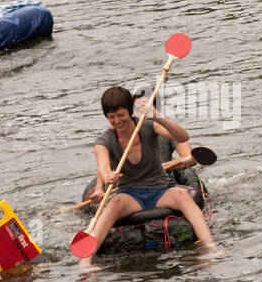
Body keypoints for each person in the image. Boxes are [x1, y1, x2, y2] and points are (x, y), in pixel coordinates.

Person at [82, 86, 215, 264]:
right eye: (111, 117)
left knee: (183, 195)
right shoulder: (103, 141)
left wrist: (157, 116)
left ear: (129, 111)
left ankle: (211, 247)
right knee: (114, 202)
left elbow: (183, 136)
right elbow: (103, 168)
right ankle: (85, 262)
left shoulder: (147, 125)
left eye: (121, 115)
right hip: (131, 194)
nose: (117, 121)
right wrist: (108, 177)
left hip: (160, 189)